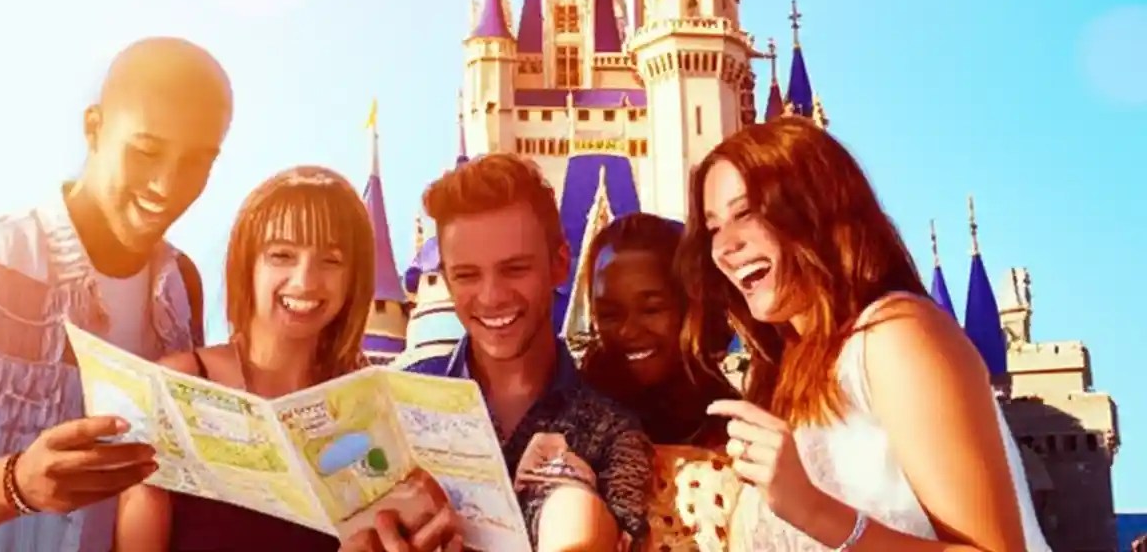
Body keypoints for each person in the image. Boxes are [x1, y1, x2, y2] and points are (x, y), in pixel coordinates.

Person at [0, 37, 233, 551]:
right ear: (94, 127)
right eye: (146, 151)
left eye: (198, 161)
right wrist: (14, 484)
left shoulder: (180, 289)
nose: (167, 186)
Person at [678, 116, 1050, 551]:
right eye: (714, 227)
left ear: (814, 210)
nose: (724, 247)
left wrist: (815, 511)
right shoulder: (787, 380)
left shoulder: (896, 338)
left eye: (745, 213)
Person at [113, 165, 458, 551]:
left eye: (331, 260)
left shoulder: (373, 410)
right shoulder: (177, 386)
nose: (305, 280)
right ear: (248, 264)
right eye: (282, 255)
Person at [401, 153, 653, 551]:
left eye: (515, 269)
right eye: (467, 275)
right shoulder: (401, 402)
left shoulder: (610, 429)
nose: (492, 297)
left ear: (559, 265)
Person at [577, 212, 744, 550]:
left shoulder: (737, 421)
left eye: (651, 309)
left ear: (688, 304)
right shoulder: (576, 419)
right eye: (610, 314)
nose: (628, 330)